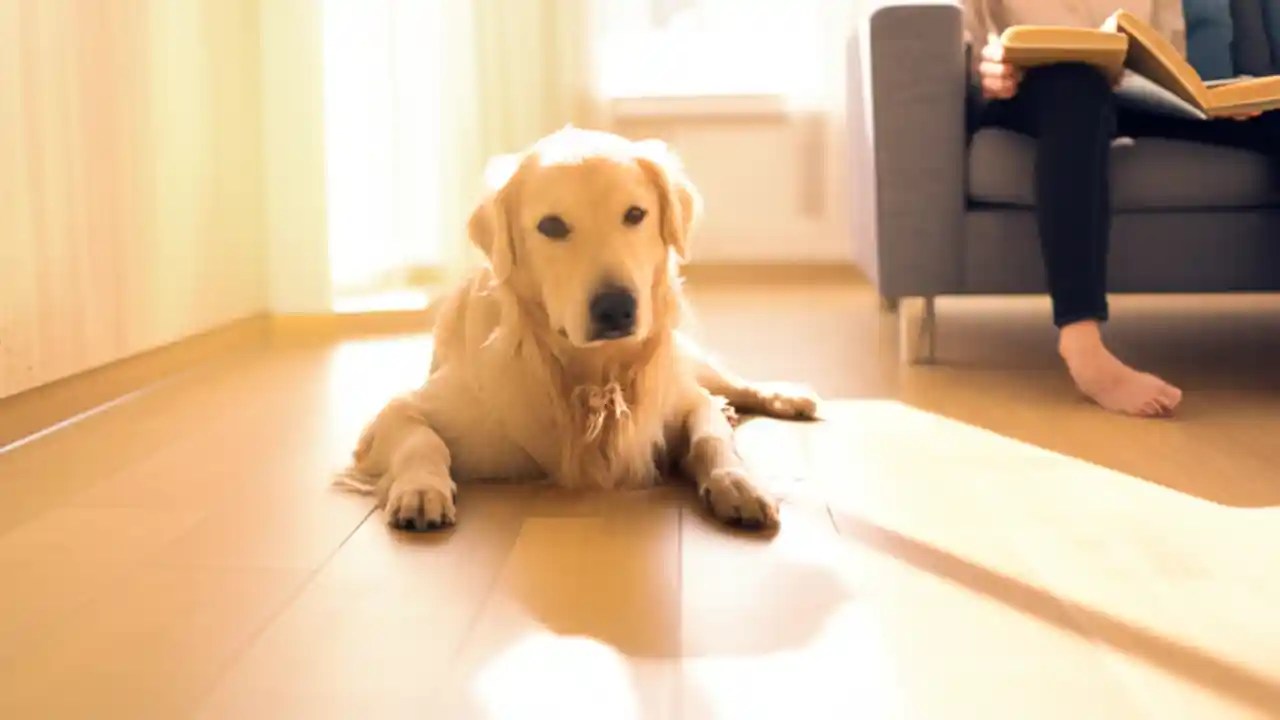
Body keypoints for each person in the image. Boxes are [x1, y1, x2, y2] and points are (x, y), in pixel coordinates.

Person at [965, 0, 1280, 417]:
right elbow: (962, 30)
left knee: (1267, 115)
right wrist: (985, 67)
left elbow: (1166, 47)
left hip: (1129, 88)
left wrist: (1213, 100)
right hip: (1030, 87)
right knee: (1076, 85)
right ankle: (1083, 345)